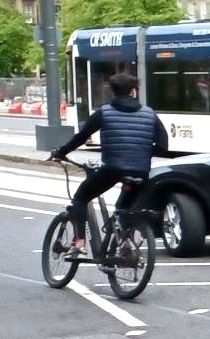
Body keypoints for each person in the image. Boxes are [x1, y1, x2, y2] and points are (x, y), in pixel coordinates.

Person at [48, 71, 170, 255]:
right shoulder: (149, 114)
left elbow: (81, 137)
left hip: (112, 169)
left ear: (112, 91)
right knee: (123, 208)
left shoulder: (104, 113)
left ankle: (79, 243)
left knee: (80, 198)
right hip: (140, 172)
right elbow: (162, 146)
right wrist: (143, 152)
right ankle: (126, 241)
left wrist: (60, 152)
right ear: (133, 91)